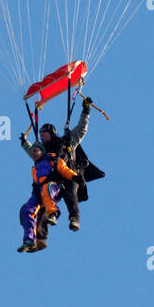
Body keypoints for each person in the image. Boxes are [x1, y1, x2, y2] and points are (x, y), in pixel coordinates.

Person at [21, 96, 94, 233]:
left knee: (69, 193)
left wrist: (86, 110)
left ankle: (74, 219)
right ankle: (38, 238)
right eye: (40, 134)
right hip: (54, 180)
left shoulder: (67, 141)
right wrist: (25, 144)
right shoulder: (43, 151)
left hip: (70, 175)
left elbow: (81, 129)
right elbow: (33, 153)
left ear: (51, 134)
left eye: (44, 134)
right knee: (42, 202)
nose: (41, 137)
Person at [17, 139, 78, 253]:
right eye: (33, 152)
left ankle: (53, 213)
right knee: (26, 210)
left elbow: (64, 169)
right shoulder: (34, 168)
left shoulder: (52, 159)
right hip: (38, 192)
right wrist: (24, 143)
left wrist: (74, 176)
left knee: (46, 190)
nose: (34, 154)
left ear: (42, 151)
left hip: (53, 186)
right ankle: (29, 240)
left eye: (36, 151)